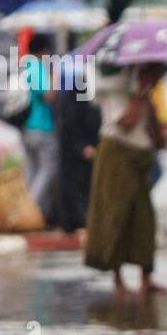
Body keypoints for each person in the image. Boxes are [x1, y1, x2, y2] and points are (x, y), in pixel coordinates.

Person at [84, 62, 167, 296]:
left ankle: (146, 279)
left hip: (140, 157)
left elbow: (156, 135)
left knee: (143, 219)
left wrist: (149, 103)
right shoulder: (114, 87)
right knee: (116, 215)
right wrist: (141, 94)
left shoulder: (145, 93)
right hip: (116, 155)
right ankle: (118, 280)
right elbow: (126, 122)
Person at [54, 55, 100, 235]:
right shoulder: (72, 100)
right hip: (75, 151)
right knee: (75, 187)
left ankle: (80, 220)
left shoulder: (80, 98)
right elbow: (70, 127)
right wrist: (82, 147)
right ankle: (77, 221)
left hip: (81, 150)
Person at [21, 34, 59, 226]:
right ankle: (31, 210)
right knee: (47, 170)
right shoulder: (35, 67)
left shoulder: (25, 66)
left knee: (33, 171)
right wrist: (55, 77)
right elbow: (48, 96)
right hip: (43, 127)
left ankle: (32, 214)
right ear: (43, 51)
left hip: (28, 127)